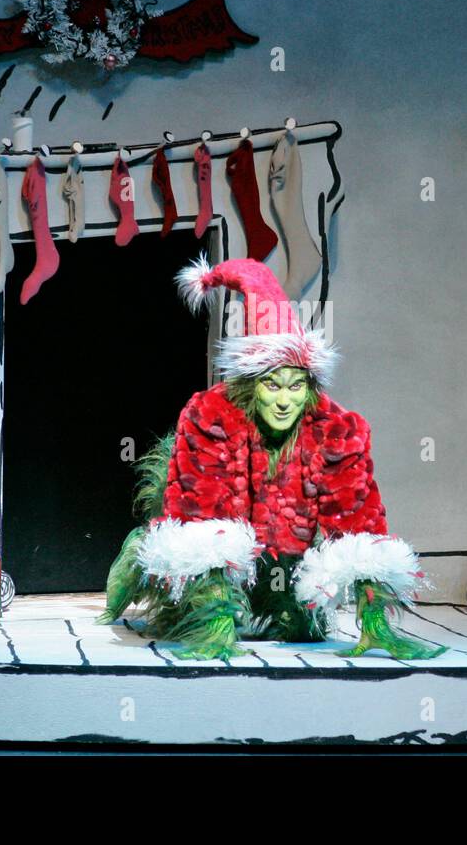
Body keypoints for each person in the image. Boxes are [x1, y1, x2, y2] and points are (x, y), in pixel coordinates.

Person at [98, 255, 445, 661]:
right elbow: (202, 523)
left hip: (284, 547)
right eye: (272, 385)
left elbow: (357, 523)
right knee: (173, 581)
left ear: (311, 387)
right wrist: (216, 632)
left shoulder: (335, 428)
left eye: (296, 386)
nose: (284, 401)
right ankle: (135, 567)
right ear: (250, 384)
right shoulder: (211, 415)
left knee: (301, 628)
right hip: (221, 523)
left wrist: (376, 625)